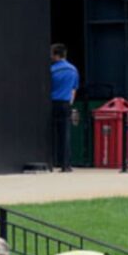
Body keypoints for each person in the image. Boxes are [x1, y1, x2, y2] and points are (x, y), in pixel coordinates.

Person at [49, 44, 78, 172]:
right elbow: (73, 90)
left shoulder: (51, 70)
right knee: (65, 134)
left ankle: (51, 162)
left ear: (56, 55)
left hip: (52, 103)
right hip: (66, 103)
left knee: (49, 133)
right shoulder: (73, 70)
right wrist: (70, 104)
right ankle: (66, 164)